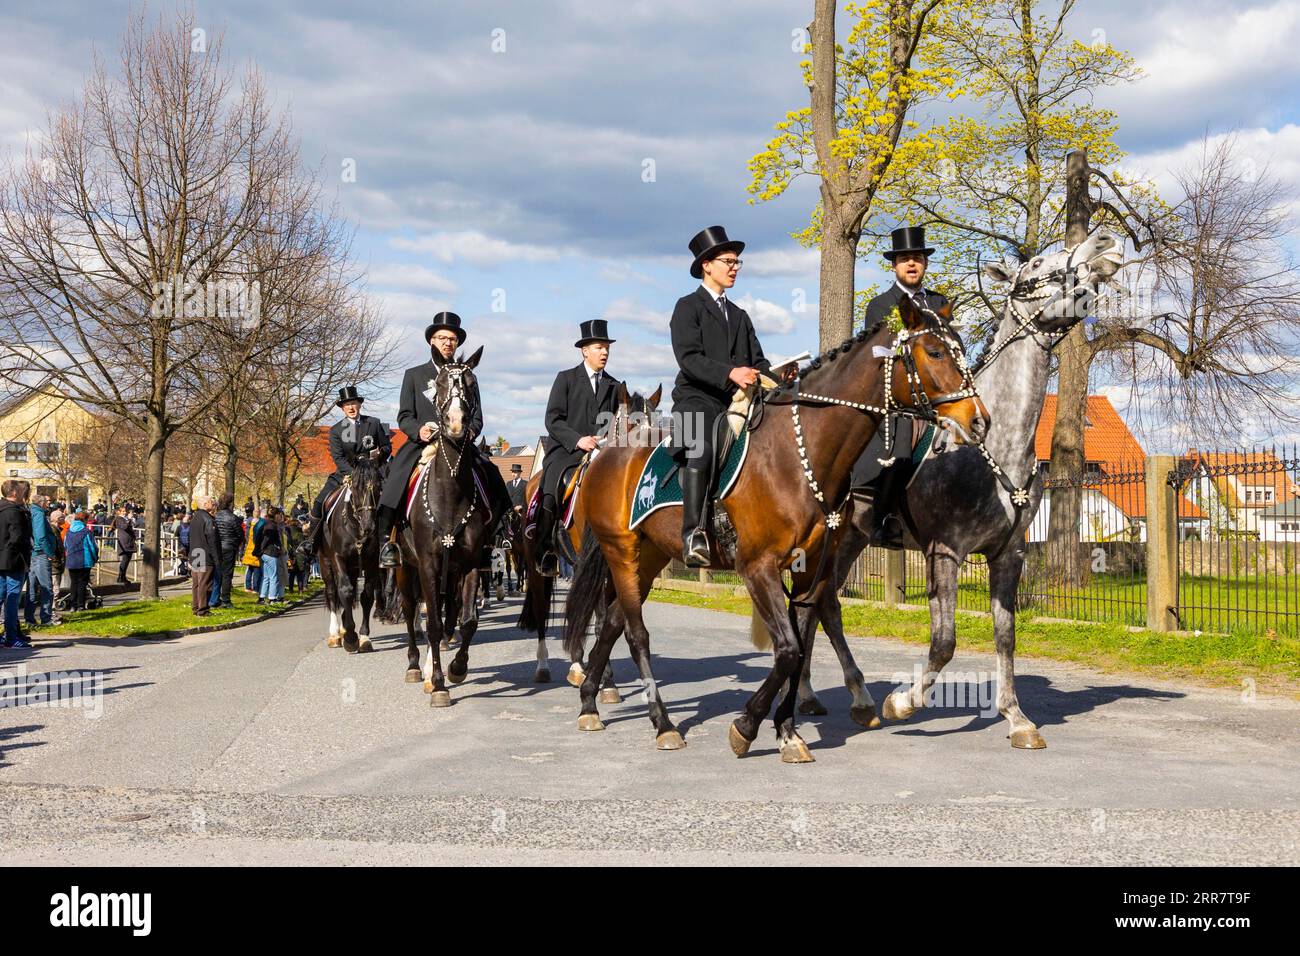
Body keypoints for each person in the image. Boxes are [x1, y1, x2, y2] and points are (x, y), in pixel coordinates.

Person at [670, 225, 787, 567]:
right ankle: (693, 534)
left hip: (740, 401)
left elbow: (759, 361)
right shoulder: (686, 307)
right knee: (701, 449)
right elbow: (688, 358)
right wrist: (730, 373)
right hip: (695, 399)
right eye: (729, 261)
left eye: (738, 262)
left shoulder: (740, 315)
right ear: (707, 265)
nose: (735, 267)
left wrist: (780, 376)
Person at [375, 312, 511, 568]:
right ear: (432, 342)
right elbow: (404, 415)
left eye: (453, 338)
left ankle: (499, 535)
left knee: (491, 472)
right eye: (442, 338)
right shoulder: (414, 374)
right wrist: (419, 431)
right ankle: (388, 541)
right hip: (424, 444)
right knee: (395, 475)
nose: (448, 342)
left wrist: (471, 432)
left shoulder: (469, 374)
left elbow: (478, 416)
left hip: (459, 445)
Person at [850, 225, 952, 550]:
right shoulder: (880, 306)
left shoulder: (940, 302)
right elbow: (876, 357)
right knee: (900, 444)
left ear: (925, 264)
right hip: (897, 399)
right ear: (894, 266)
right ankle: (883, 520)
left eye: (917, 258)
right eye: (905, 259)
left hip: (936, 396)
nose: (912, 264)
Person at [535, 319, 623, 576]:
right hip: (566, 450)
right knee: (554, 485)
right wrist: (578, 440)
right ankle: (546, 547)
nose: (604, 352)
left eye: (607, 347)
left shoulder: (615, 386)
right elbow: (552, 419)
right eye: (599, 347)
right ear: (585, 350)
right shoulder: (566, 379)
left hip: (601, 452)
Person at [298, 385, 392, 559]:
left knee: (392, 499)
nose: (351, 407)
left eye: (353, 403)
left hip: (373, 473)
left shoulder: (374, 423)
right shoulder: (336, 430)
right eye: (347, 405)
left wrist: (380, 452)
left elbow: (387, 447)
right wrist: (354, 474)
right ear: (342, 408)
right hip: (346, 473)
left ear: (359, 404)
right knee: (320, 502)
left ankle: (389, 543)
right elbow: (338, 457)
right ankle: (311, 542)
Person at [0, 480, 33, 648]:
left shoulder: (2, 508)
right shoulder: (14, 512)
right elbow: (17, 537)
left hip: (2, 559)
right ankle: (11, 636)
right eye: (19, 491)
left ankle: (8, 635)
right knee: (12, 599)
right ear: (13, 493)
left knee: (1, 596)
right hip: (13, 560)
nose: (22, 493)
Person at [24, 494, 56, 628]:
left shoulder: (30, 511)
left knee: (31, 587)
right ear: (41, 503)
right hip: (40, 553)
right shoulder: (38, 514)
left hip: (31, 553)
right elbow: (41, 536)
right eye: (47, 502)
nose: (48, 505)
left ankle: (29, 619)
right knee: (46, 587)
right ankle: (46, 618)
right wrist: (49, 552)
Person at [188, 494, 221, 617]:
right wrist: (217, 559)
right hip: (205, 554)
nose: (214, 505)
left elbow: (190, 538)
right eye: (212, 503)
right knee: (205, 583)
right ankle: (203, 609)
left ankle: (196, 607)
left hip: (196, 552)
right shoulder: (208, 519)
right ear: (205, 504)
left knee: (197, 583)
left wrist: (190, 557)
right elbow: (212, 540)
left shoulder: (195, 518)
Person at [63, 512, 98, 612]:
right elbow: (92, 546)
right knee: (82, 583)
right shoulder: (86, 532)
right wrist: (95, 557)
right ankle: (80, 605)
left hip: (71, 560)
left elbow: (65, 545)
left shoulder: (68, 532)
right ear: (84, 520)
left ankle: (73, 606)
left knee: (73, 583)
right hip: (84, 560)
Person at [214, 493, 245, 608]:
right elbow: (240, 534)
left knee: (217, 573)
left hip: (217, 547)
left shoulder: (215, 516)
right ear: (230, 503)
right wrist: (237, 543)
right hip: (229, 547)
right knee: (227, 574)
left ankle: (215, 598)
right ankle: (226, 599)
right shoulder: (233, 518)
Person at [255, 507, 284, 604]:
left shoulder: (265, 523)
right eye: (279, 515)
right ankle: (272, 598)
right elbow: (267, 539)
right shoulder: (272, 525)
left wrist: (259, 550)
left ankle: (262, 597)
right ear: (276, 515)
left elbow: (258, 537)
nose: (280, 517)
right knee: (273, 576)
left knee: (266, 576)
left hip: (264, 553)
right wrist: (262, 549)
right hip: (270, 553)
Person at [110, 505, 137, 584]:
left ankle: (123, 576)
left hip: (129, 541)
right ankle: (120, 577)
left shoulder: (124, 519)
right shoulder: (119, 519)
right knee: (125, 560)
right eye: (123, 511)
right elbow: (124, 527)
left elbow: (129, 527)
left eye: (125, 511)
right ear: (119, 512)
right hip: (124, 542)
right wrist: (128, 519)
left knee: (127, 560)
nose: (125, 513)